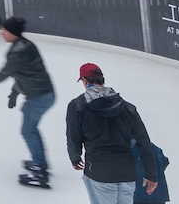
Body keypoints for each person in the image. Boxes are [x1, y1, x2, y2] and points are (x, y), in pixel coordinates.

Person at [0, 15, 58, 188]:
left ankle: (40, 171)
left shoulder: (17, 51)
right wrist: (14, 92)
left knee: (28, 130)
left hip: (39, 97)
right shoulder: (27, 45)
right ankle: (40, 163)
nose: (2, 33)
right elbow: (27, 71)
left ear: (13, 32)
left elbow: (3, 74)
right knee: (30, 129)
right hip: (44, 93)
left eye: (4, 30)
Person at [65, 63, 158, 204]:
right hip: (127, 173)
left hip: (99, 172)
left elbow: (73, 136)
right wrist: (151, 174)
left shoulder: (77, 106)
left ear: (84, 80)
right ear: (102, 79)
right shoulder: (127, 107)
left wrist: (75, 157)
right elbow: (143, 141)